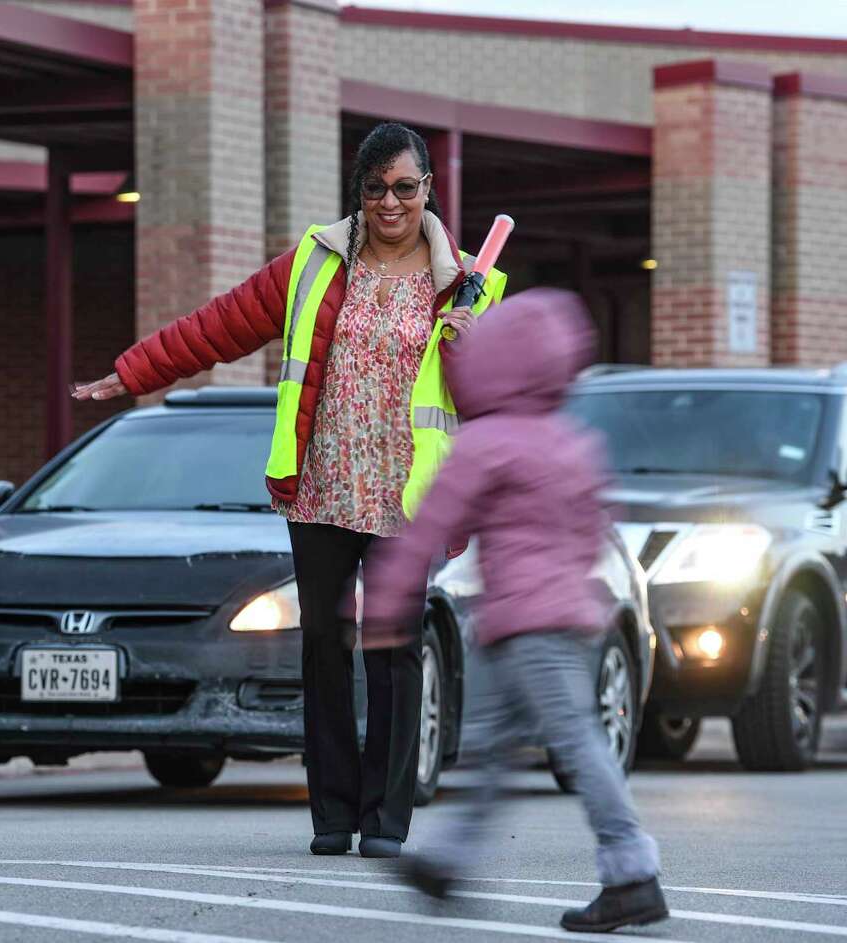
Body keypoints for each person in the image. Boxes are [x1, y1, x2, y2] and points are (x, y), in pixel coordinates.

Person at [72, 122, 504, 859]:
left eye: (405, 187)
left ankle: (386, 818)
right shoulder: (317, 262)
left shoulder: (471, 283)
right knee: (322, 647)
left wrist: (475, 344)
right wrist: (135, 371)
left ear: (429, 188)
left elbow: (500, 393)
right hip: (324, 488)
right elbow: (222, 325)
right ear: (359, 193)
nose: (390, 202)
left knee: (394, 653)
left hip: (410, 501)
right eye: (375, 189)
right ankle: (332, 814)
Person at [361, 288, 668, 933]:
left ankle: (633, 872)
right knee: (493, 744)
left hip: (525, 625)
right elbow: (597, 528)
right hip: (562, 618)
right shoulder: (572, 440)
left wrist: (385, 601)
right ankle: (450, 864)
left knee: (574, 742)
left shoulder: (487, 441)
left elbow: (429, 527)